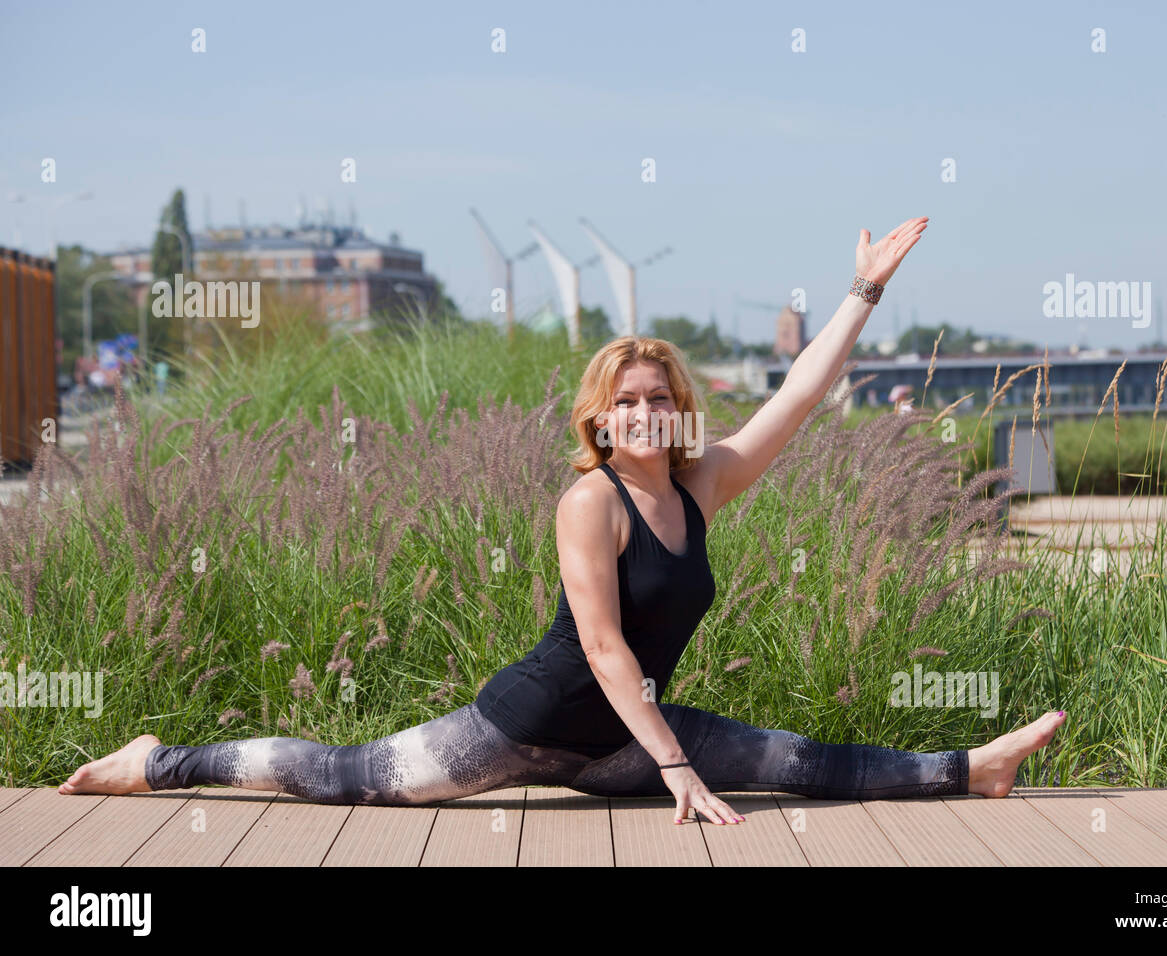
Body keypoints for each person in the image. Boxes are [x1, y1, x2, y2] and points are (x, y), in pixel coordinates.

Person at [58, 218, 1067, 826]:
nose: (641, 411)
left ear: (676, 408)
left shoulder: (703, 482)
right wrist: (674, 765)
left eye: (656, 396)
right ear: (599, 415)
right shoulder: (591, 499)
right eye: (623, 400)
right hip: (526, 724)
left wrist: (859, 291)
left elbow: (796, 398)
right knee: (339, 775)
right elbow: (598, 641)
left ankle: (971, 768)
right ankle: (154, 760)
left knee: (791, 758)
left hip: (626, 743)